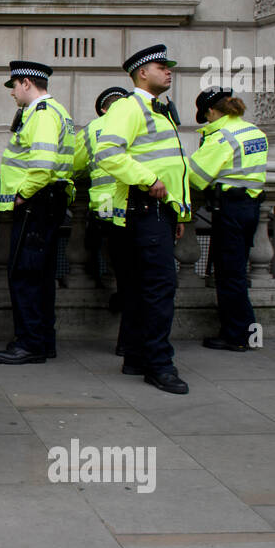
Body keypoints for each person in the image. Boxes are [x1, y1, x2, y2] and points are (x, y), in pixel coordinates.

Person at [93, 44, 191, 394]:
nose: (169, 71)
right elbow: (108, 152)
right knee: (159, 290)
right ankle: (159, 365)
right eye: (161, 66)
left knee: (138, 288)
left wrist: (179, 210)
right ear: (141, 72)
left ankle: (136, 357)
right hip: (145, 210)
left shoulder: (159, 111)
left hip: (157, 211)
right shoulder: (129, 107)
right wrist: (148, 180)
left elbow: (171, 164)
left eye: (169, 66)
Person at [0, 61, 75, 365]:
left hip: (35, 205)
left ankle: (29, 344)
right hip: (49, 204)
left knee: (25, 275)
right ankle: (43, 341)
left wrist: (21, 196)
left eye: (14, 86)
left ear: (26, 83)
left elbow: (41, 167)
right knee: (40, 277)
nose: (12, 93)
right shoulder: (58, 112)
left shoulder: (40, 115)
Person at [187, 86, 268, 352]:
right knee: (238, 272)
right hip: (251, 207)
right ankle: (248, 334)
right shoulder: (254, 131)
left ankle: (237, 336)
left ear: (211, 110)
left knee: (228, 274)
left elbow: (197, 178)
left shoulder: (222, 136)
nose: (206, 120)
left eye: (206, 115)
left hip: (230, 209)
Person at [73, 87, 130, 354]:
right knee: (136, 272)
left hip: (106, 206)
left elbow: (74, 164)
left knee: (115, 260)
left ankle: (115, 291)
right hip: (136, 204)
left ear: (103, 108)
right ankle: (129, 339)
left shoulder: (94, 128)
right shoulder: (140, 120)